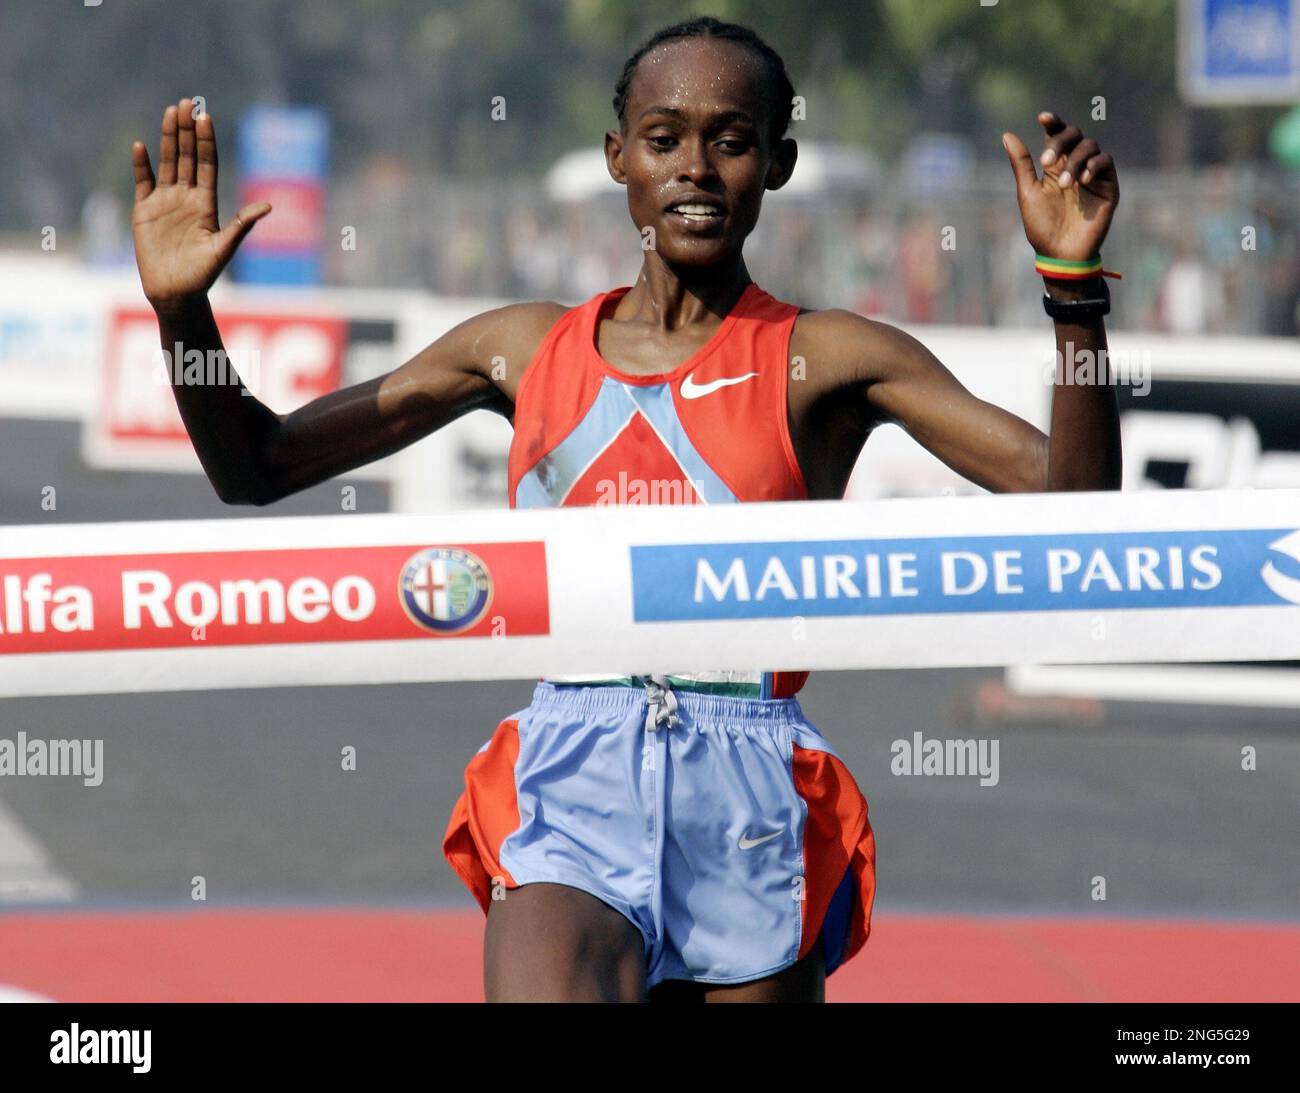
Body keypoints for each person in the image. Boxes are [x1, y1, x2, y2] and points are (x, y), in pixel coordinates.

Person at [129, 16, 1121, 1002]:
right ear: (619, 158)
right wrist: (182, 314)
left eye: (731, 141)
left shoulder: (832, 357)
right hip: (573, 774)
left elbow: (1075, 510)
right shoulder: (517, 348)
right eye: (664, 138)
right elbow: (255, 463)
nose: (696, 167)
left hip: (749, 795)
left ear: (775, 163)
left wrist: (1072, 291)